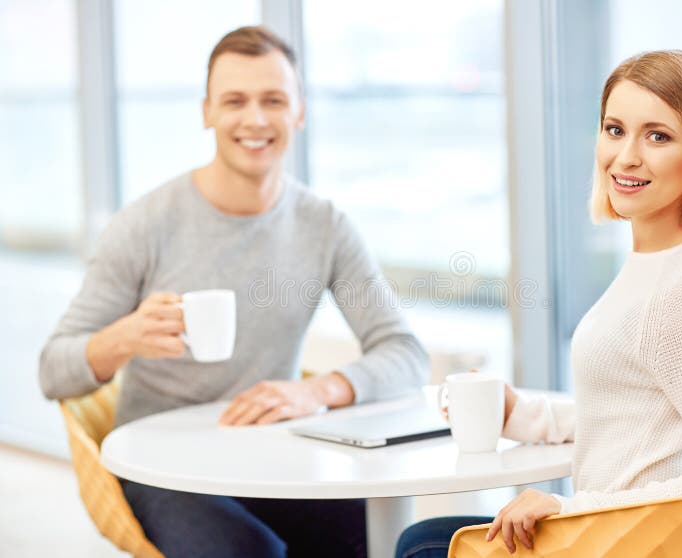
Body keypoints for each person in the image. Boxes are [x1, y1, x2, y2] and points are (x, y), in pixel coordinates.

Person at [39, 25, 429, 558]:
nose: (255, 119)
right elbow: (52, 370)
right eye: (234, 101)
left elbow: (405, 354)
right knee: (250, 551)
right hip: (160, 468)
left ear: (299, 112)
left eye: (273, 100)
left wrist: (318, 390)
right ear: (206, 113)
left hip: (272, 458)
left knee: (377, 537)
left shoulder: (326, 226)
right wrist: (123, 338)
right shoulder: (145, 225)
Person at [396, 49, 682, 557]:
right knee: (425, 539)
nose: (626, 155)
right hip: (605, 533)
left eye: (658, 136)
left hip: (627, 542)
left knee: (425, 546)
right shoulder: (650, 267)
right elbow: (628, 414)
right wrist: (520, 413)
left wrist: (571, 510)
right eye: (614, 129)